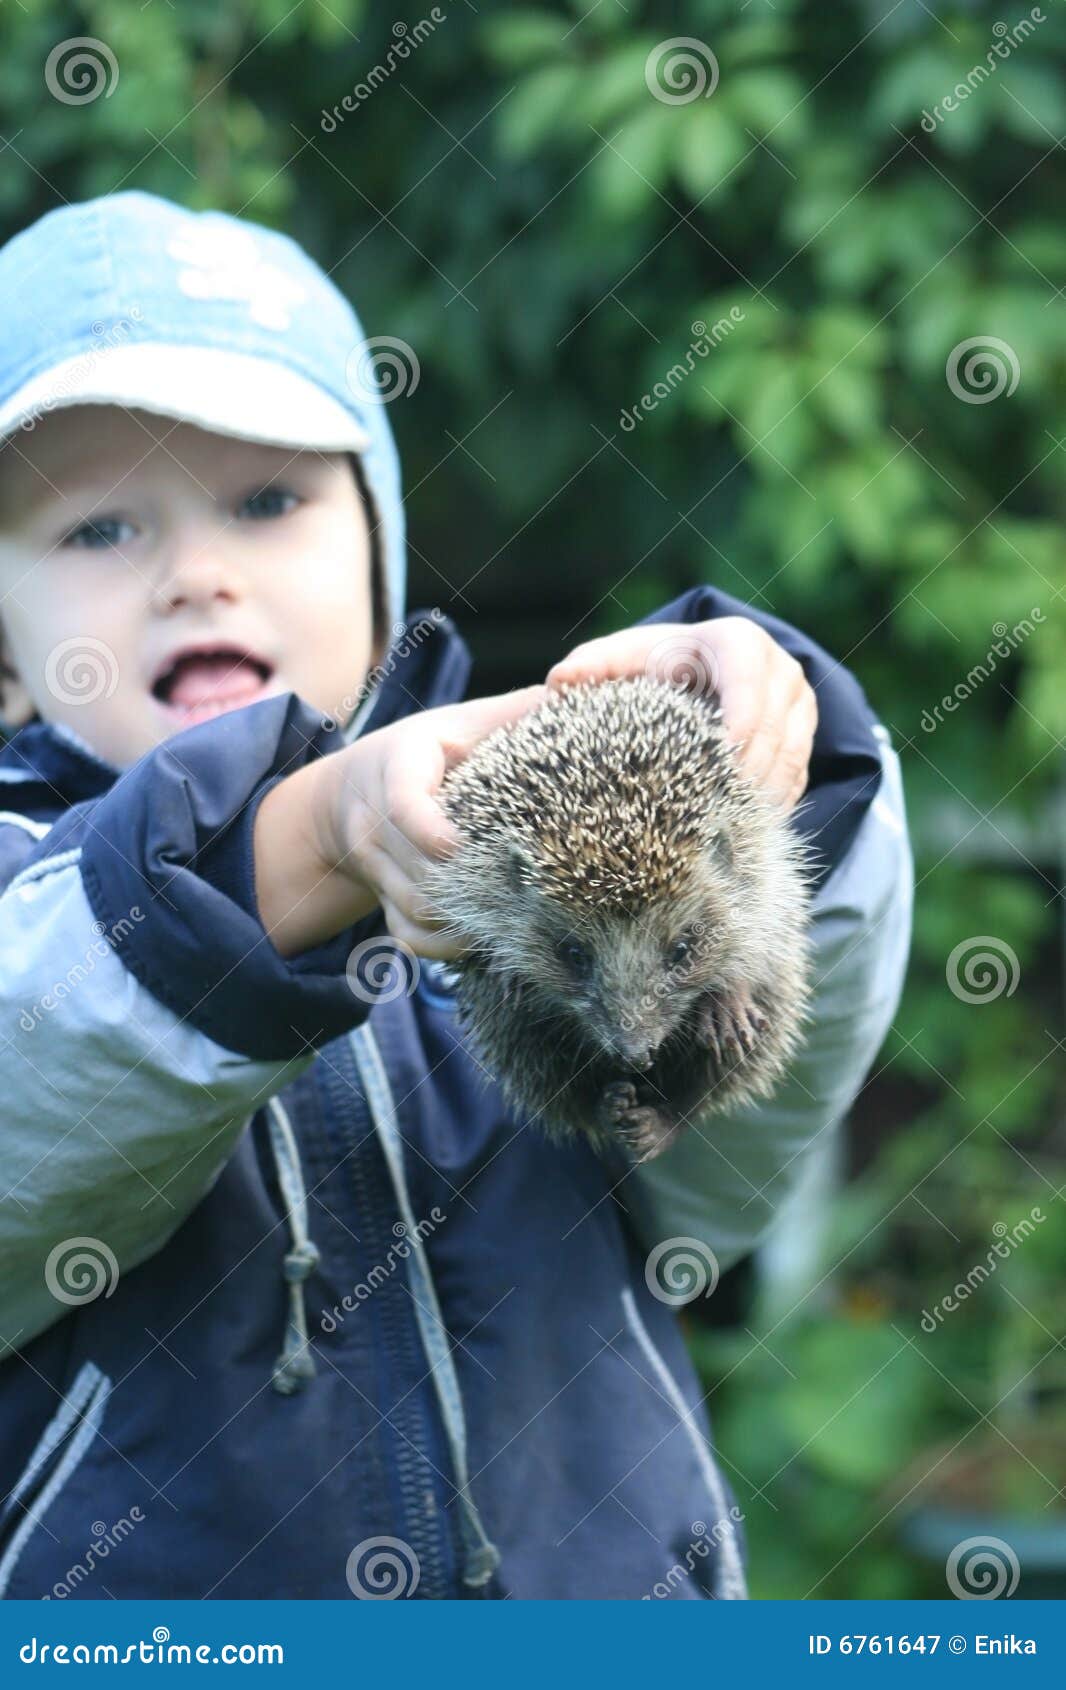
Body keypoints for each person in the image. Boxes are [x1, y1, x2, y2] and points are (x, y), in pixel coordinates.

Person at [0, 191, 912, 1601]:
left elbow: (715, 1177)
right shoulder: (29, 903)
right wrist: (299, 848)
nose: (199, 575)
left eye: (267, 501)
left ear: (383, 555)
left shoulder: (552, 804)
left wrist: (797, 775)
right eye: (100, 528)